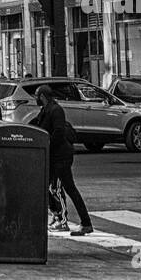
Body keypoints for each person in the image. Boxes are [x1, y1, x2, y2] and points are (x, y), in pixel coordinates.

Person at [32, 84, 93, 236]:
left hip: (61, 157)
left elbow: (58, 132)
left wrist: (48, 145)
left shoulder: (55, 110)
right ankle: (62, 217)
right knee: (48, 187)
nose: (35, 99)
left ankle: (77, 222)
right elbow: (36, 124)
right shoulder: (46, 110)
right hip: (54, 156)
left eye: (37, 96)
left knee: (64, 189)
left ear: (43, 96)